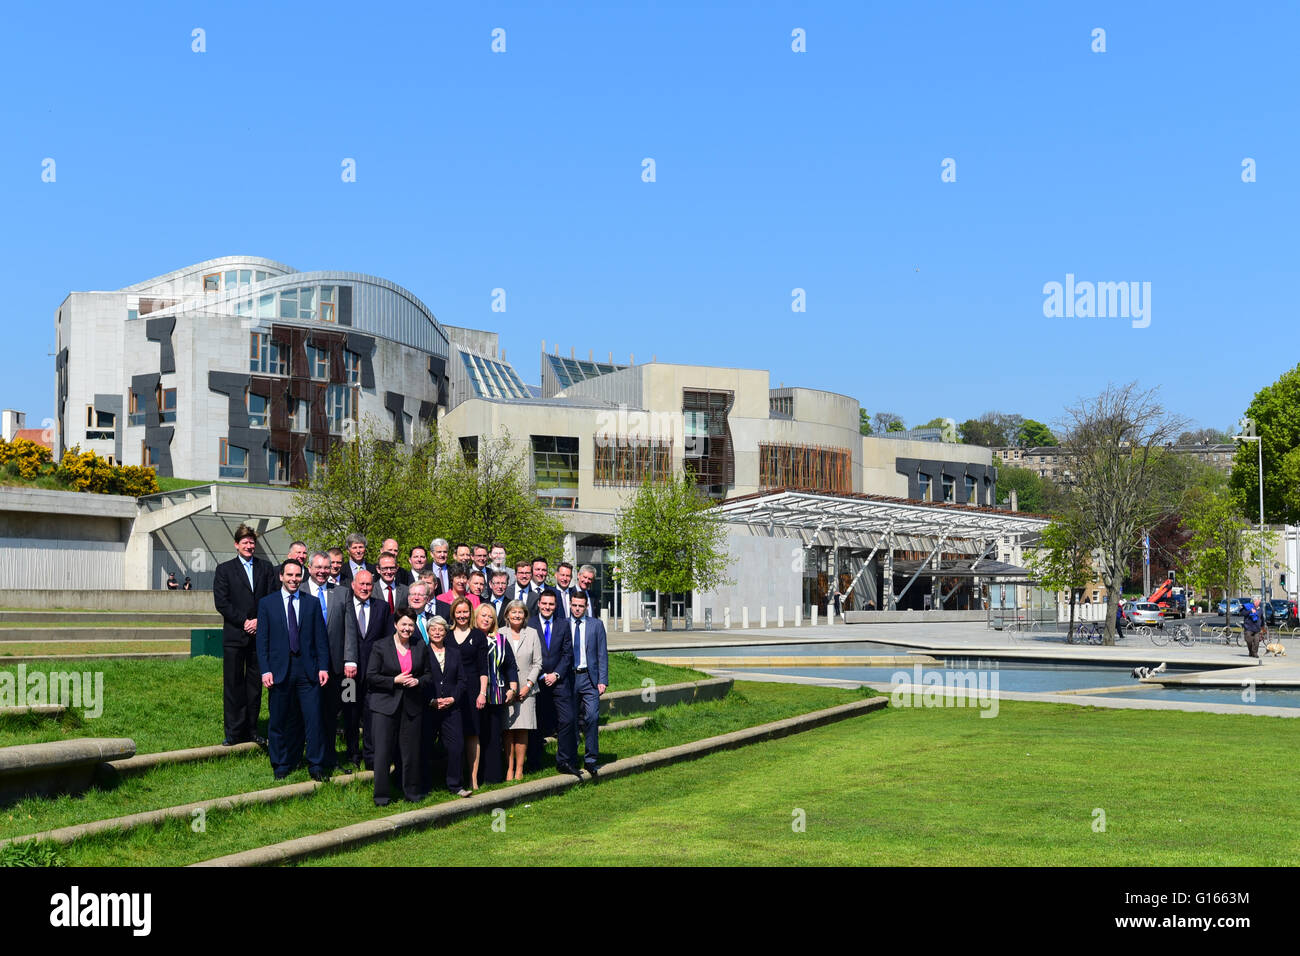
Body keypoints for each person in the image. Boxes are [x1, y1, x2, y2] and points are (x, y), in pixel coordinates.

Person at [256, 558, 330, 781]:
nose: (294, 579)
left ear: (302, 577)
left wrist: (323, 667)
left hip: (307, 670)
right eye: (289, 575)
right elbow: (262, 641)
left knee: (314, 720)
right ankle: (280, 763)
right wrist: (265, 670)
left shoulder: (311, 603)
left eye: (298, 575)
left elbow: (321, 639)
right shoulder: (267, 604)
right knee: (278, 720)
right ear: (281, 576)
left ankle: (316, 764)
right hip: (279, 671)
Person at [213, 524, 275, 747]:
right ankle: (233, 732)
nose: (249, 546)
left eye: (252, 542)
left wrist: (259, 620)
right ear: (236, 545)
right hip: (234, 636)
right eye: (245, 542)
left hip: (259, 636)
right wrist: (244, 621)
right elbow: (222, 602)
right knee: (233, 684)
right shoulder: (224, 570)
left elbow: (271, 597)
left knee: (254, 686)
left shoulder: (266, 568)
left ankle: (251, 729)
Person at [365, 607, 432, 805]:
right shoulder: (380, 646)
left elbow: (429, 675)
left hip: (411, 706)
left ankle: (411, 793)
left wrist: (418, 682)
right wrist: (394, 680)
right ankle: (382, 797)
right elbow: (371, 677)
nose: (407, 628)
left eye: (411, 625)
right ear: (395, 625)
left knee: (411, 752)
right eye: (403, 624)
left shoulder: (420, 646)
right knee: (383, 753)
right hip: (384, 706)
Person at [313, 551, 356, 772]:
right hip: (308, 666)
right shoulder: (300, 591)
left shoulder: (342, 593)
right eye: (318, 568)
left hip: (336, 666)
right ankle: (312, 759)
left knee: (331, 715)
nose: (322, 572)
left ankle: (330, 758)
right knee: (311, 715)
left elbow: (350, 629)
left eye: (326, 568)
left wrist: (350, 659)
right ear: (310, 569)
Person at [419, 615, 471, 798]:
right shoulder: (422, 652)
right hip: (430, 708)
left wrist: (453, 699)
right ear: (428, 631)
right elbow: (420, 681)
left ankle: (455, 785)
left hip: (451, 708)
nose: (437, 632)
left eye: (441, 629)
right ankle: (424, 786)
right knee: (424, 746)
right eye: (433, 629)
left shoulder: (454, 652)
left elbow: (462, 680)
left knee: (456, 746)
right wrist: (431, 700)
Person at [346, 570, 392, 769]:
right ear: (353, 585)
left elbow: (387, 639)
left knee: (371, 714)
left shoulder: (381, 607)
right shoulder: (344, 606)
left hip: (374, 673)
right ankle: (352, 754)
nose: (365, 588)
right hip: (349, 673)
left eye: (369, 585)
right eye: (361, 584)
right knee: (350, 712)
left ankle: (371, 756)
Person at [527, 591, 576, 775]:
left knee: (567, 719)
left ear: (556, 606)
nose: (547, 607)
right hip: (537, 681)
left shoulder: (563, 625)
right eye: (544, 603)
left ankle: (564, 760)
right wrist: (537, 675)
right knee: (536, 722)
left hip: (559, 681)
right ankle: (534, 760)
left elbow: (567, 654)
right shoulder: (530, 624)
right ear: (539, 604)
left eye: (551, 604)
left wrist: (556, 674)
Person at [448, 597, 489, 789]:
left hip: (473, 689)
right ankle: (457, 777)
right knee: (455, 734)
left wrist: (482, 693)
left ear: (470, 613)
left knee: (472, 734)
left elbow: (483, 669)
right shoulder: (446, 635)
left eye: (465, 612)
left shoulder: (478, 636)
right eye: (459, 612)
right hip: (452, 689)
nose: (462, 615)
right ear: (453, 613)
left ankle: (473, 778)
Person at [477, 602, 519, 785]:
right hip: (475, 695)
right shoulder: (471, 638)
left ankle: (492, 777)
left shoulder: (501, 640)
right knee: (476, 736)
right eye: (483, 615)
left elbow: (510, 665)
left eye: (490, 616)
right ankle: (474, 776)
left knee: (494, 736)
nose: (486, 619)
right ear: (476, 617)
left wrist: (512, 688)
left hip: (496, 694)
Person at [501, 601, 542, 780]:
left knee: (522, 730)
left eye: (520, 612)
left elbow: (538, 662)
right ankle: (508, 769)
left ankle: (519, 769)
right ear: (507, 615)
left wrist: (528, 685)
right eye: (513, 612)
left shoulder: (532, 634)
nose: (517, 615)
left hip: (527, 690)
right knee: (508, 730)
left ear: (525, 615)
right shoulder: (500, 633)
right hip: (506, 690)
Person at [568, 592, 608, 776]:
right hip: (570, 678)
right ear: (570, 605)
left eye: (580, 606)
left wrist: (602, 680)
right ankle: (572, 758)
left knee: (591, 717)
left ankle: (591, 759)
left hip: (589, 678)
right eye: (574, 605)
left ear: (586, 607)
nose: (577, 609)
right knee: (573, 720)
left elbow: (602, 654)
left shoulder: (596, 625)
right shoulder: (563, 624)